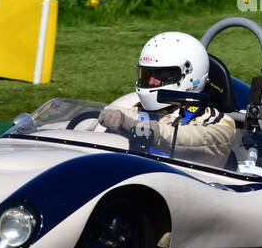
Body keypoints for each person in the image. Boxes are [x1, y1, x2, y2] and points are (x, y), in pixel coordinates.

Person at [98, 31, 236, 165]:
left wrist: (141, 128)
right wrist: (113, 117)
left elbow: (191, 138)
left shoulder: (219, 124)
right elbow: (118, 117)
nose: (151, 82)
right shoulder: (136, 107)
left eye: (161, 75)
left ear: (189, 74)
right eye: (147, 74)